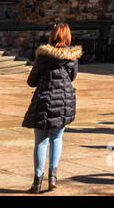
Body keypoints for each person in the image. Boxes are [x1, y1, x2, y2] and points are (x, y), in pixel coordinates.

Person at [22, 22, 81, 193]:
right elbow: (72, 77)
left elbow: (31, 81)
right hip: (63, 102)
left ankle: (37, 181)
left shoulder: (43, 56)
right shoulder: (72, 57)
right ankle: (53, 176)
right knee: (57, 138)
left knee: (40, 141)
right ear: (67, 37)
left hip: (44, 100)